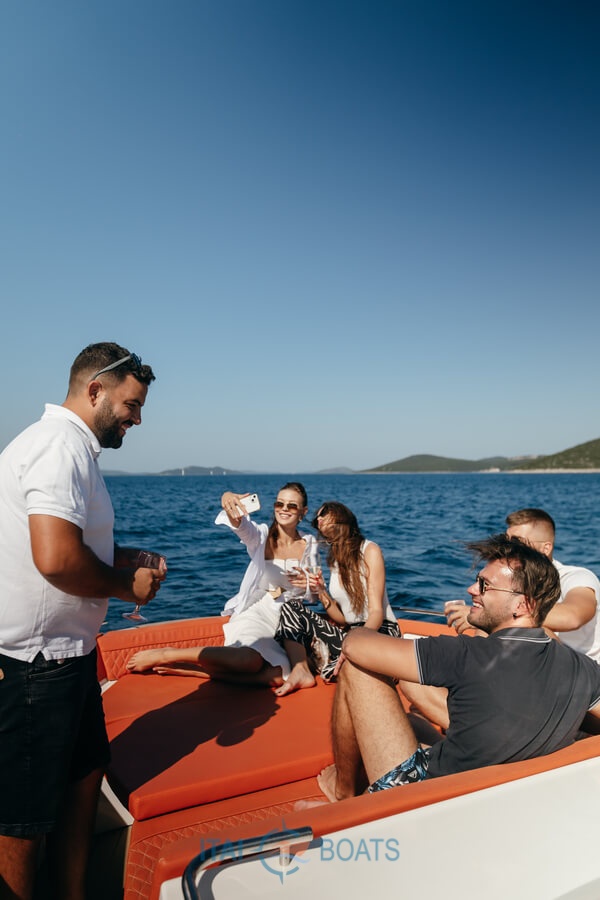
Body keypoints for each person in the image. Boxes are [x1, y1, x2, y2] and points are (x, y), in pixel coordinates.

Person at [0, 342, 163, 900]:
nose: (137, 418)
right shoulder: (57, 449)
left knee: (83, 778)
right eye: (131, 404)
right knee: (20, 825)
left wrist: (125, 557)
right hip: (35, 668)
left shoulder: (72, 451)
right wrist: (126, 586)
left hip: (68, 661)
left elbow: (72, 544)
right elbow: (55, 559)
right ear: (95, 389)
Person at [317, 534, 600, 802]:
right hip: (498, 797)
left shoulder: (465, 654)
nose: (472, 590)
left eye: (485, 585)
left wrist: (359, 633)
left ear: (522, 605)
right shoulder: (582, 668)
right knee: (413, 722)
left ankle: (343, 793)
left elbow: (356, 646)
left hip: (427, 799)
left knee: (357, 667)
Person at [127, 483, 318, 686]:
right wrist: (227, 499)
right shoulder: (262, 536)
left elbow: (312, 597)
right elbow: (242, 527)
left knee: (280, 676)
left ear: (303, 512)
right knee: (250, 661)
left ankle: (196, 672)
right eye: (280, 503)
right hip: (259, 611)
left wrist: (308, 585)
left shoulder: (309, 542)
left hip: (289, 621)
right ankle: (169, 654)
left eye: (292, 506)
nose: (284, 509)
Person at [274, 501, 400, 696]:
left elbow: (376, 612)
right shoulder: (334, 560)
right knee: (291, 607)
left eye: (324, 514)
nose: (319, 519)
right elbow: (343, 619)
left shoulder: (369, 550)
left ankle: (332, 661)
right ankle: (304, 669)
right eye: (317, 519)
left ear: (342, 517)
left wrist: (355, 641)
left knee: (336, 667)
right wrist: (321, 592)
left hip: (379, 631)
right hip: (350, 632)